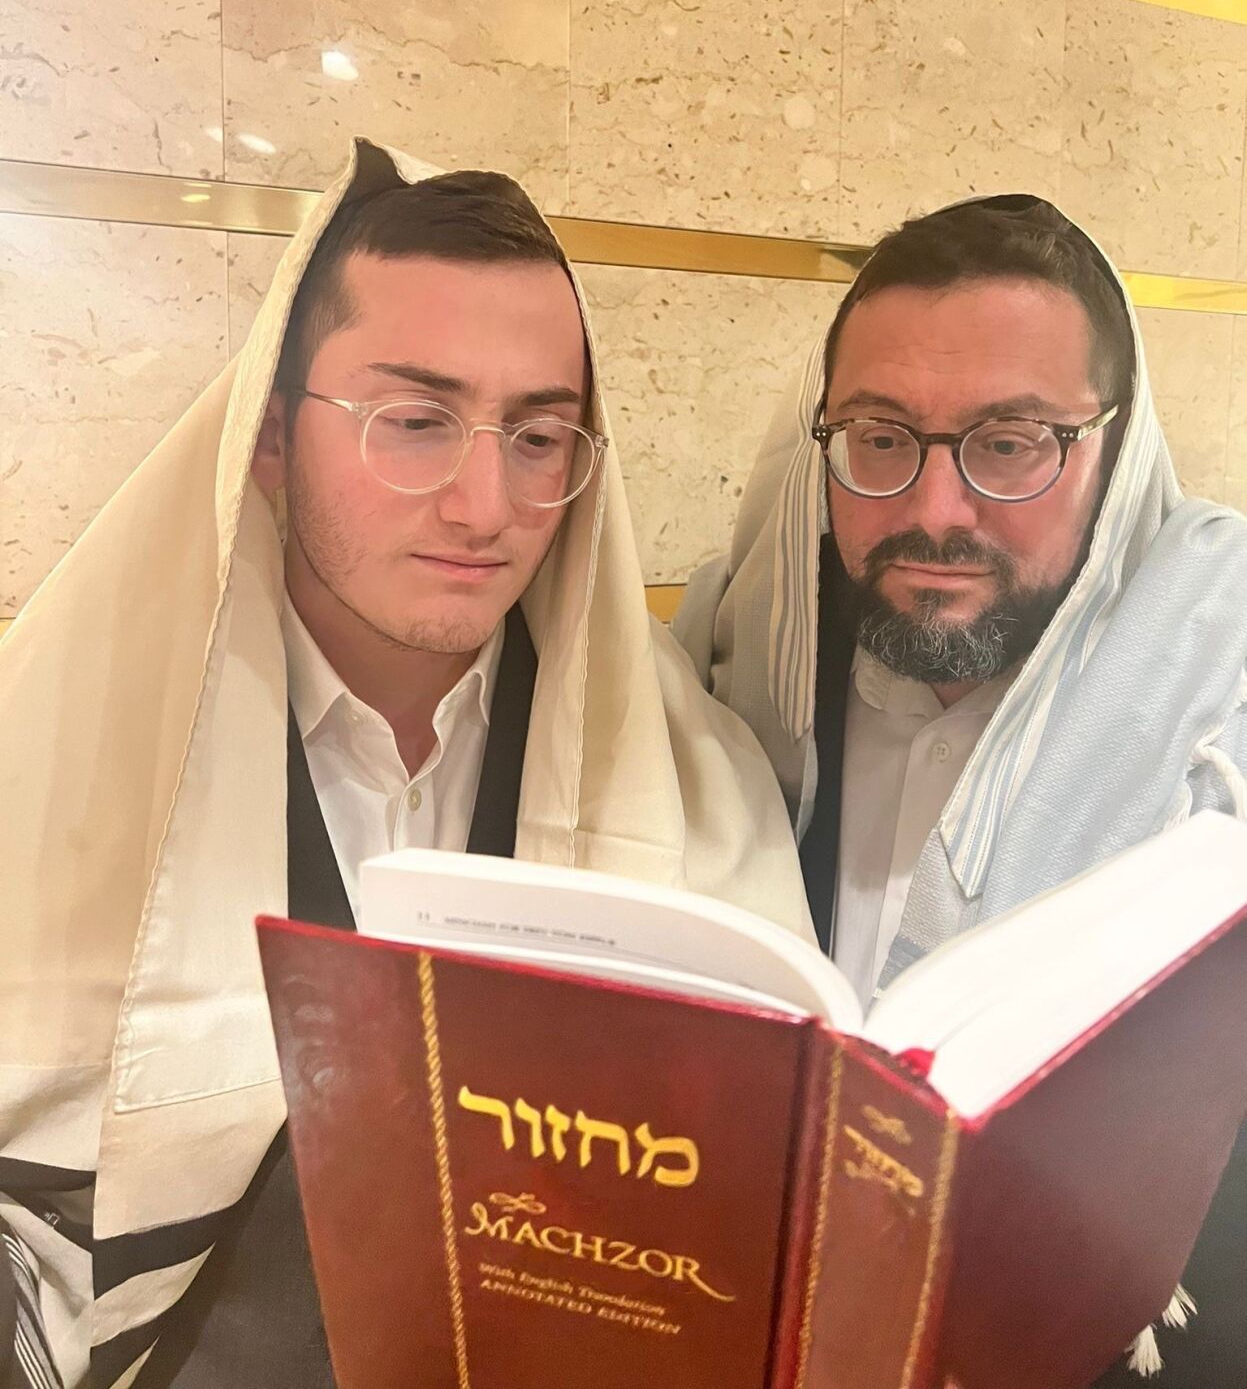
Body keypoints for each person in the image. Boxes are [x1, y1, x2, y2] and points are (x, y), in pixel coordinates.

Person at [0, 139, 812, 1389]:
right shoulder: (60, 758)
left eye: (539, 436)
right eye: (415, 421)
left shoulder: (690, 780)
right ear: (269, 442)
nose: (484, 504)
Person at [675, 194, 1247, 1385]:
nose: (935, 513)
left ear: (1114, 445)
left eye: (1010, 441)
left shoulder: (1219, 715)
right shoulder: (730, 659)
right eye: (880, 437)